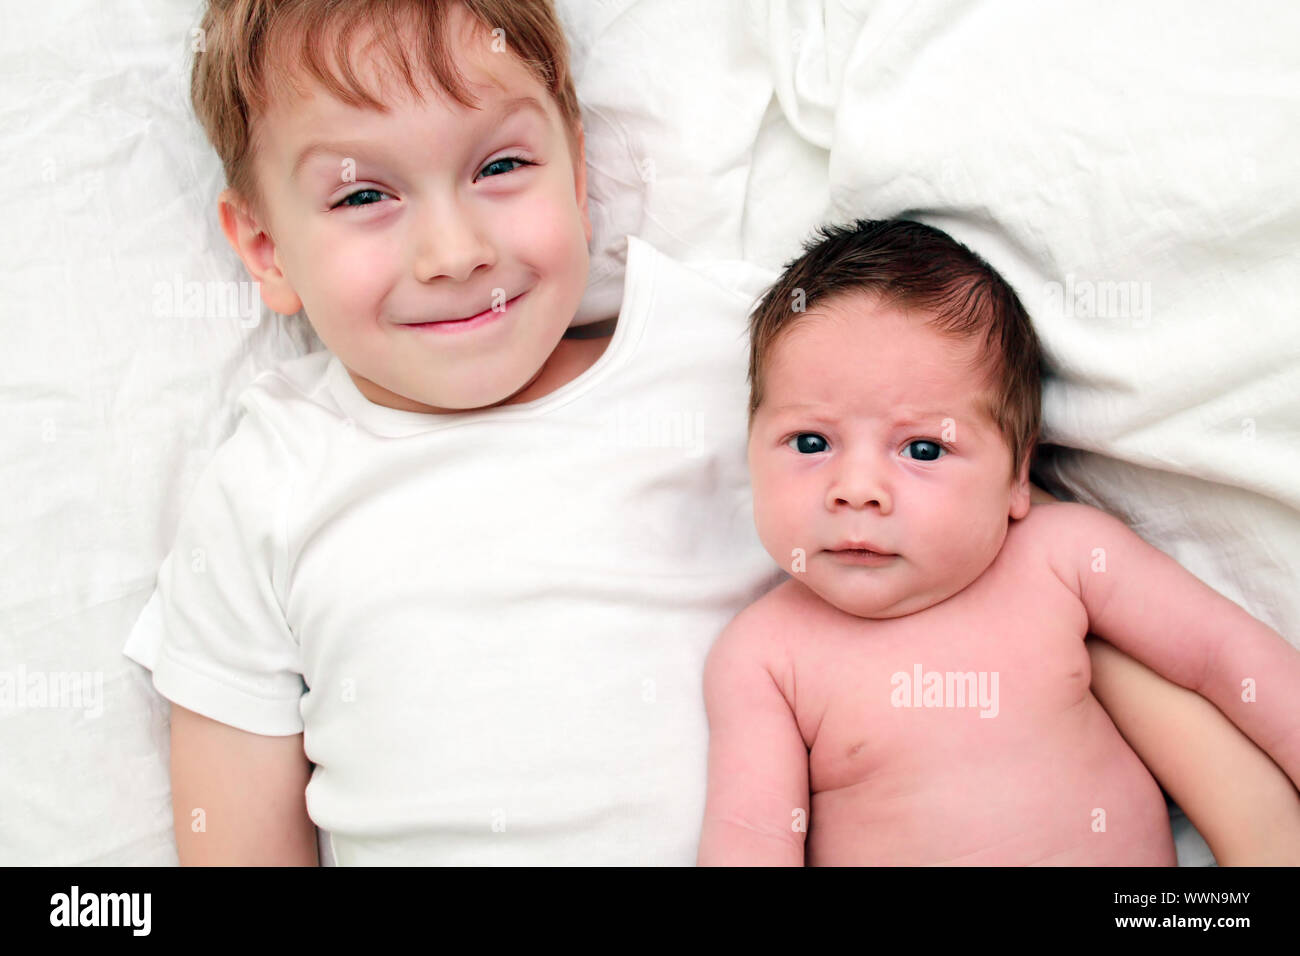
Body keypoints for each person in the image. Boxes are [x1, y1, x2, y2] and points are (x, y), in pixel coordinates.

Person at [126, 0, 1293, 865]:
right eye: (362, 195)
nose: (454, 249)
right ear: (265, 249)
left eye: (499, 166)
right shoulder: (267, 480)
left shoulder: (742, 350)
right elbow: (235, 831)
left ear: (578, 171)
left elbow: (1014, 604)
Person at [697, 218, 1300, 865]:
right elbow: (752, 837)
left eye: (923, 448)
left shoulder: (1064, 557)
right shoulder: (765, 656)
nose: (856, 490)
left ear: (1018, 476)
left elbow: (1226, 657)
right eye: (811, 443)